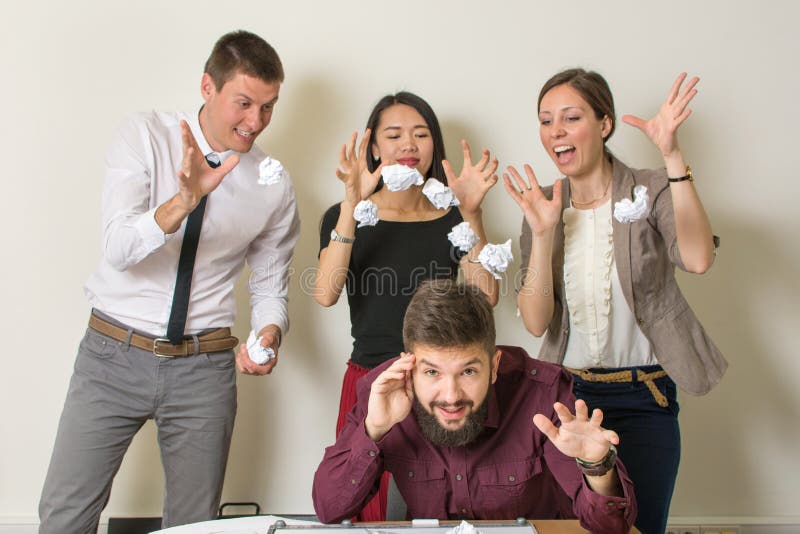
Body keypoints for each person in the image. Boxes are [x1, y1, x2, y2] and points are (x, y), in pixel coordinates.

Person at [39, 30, 300, 533]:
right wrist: (183, 202)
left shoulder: (272, 181)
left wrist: (269, 332)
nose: (255, 122)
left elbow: (271, 283)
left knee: (193, 526)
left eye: (268, 107)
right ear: (207, 86)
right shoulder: (144, 135)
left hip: (204, 367)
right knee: (64, 517)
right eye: (244, 103)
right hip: (112, 355)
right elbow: (118, 249)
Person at [503, 68, 727, 533]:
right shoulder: (541, 205)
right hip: (569, 401)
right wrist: (542, 234)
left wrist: (672, 154)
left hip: (644, 396)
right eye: (545, 120)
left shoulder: (651, 188)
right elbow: (535, 321)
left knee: (640, 527)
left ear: (604, 124)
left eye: (571, 118)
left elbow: (698, 258)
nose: (556, 131)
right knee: (573, 528)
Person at [313, 280, 637, 533]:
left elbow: (612, 527)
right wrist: (373, 429)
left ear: (494, 366)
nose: (451, 395)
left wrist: (597, 467)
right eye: (432, 372)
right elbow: (329, 510)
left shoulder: (543, 394)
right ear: (409, 368)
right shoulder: (383, 391)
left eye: (468, 371)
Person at [315, 92, 499, 520]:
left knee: (440, 509)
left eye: (421, 134)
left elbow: (487, 295)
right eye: (394, 135)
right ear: (374, 146)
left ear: (434, 144)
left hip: (440, 384)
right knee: (363, 505)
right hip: (371, 381)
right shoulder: (346, 214)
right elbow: (325, 293)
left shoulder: (452, 215)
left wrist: (472, 214)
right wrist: (351, 206)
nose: (409, 145)